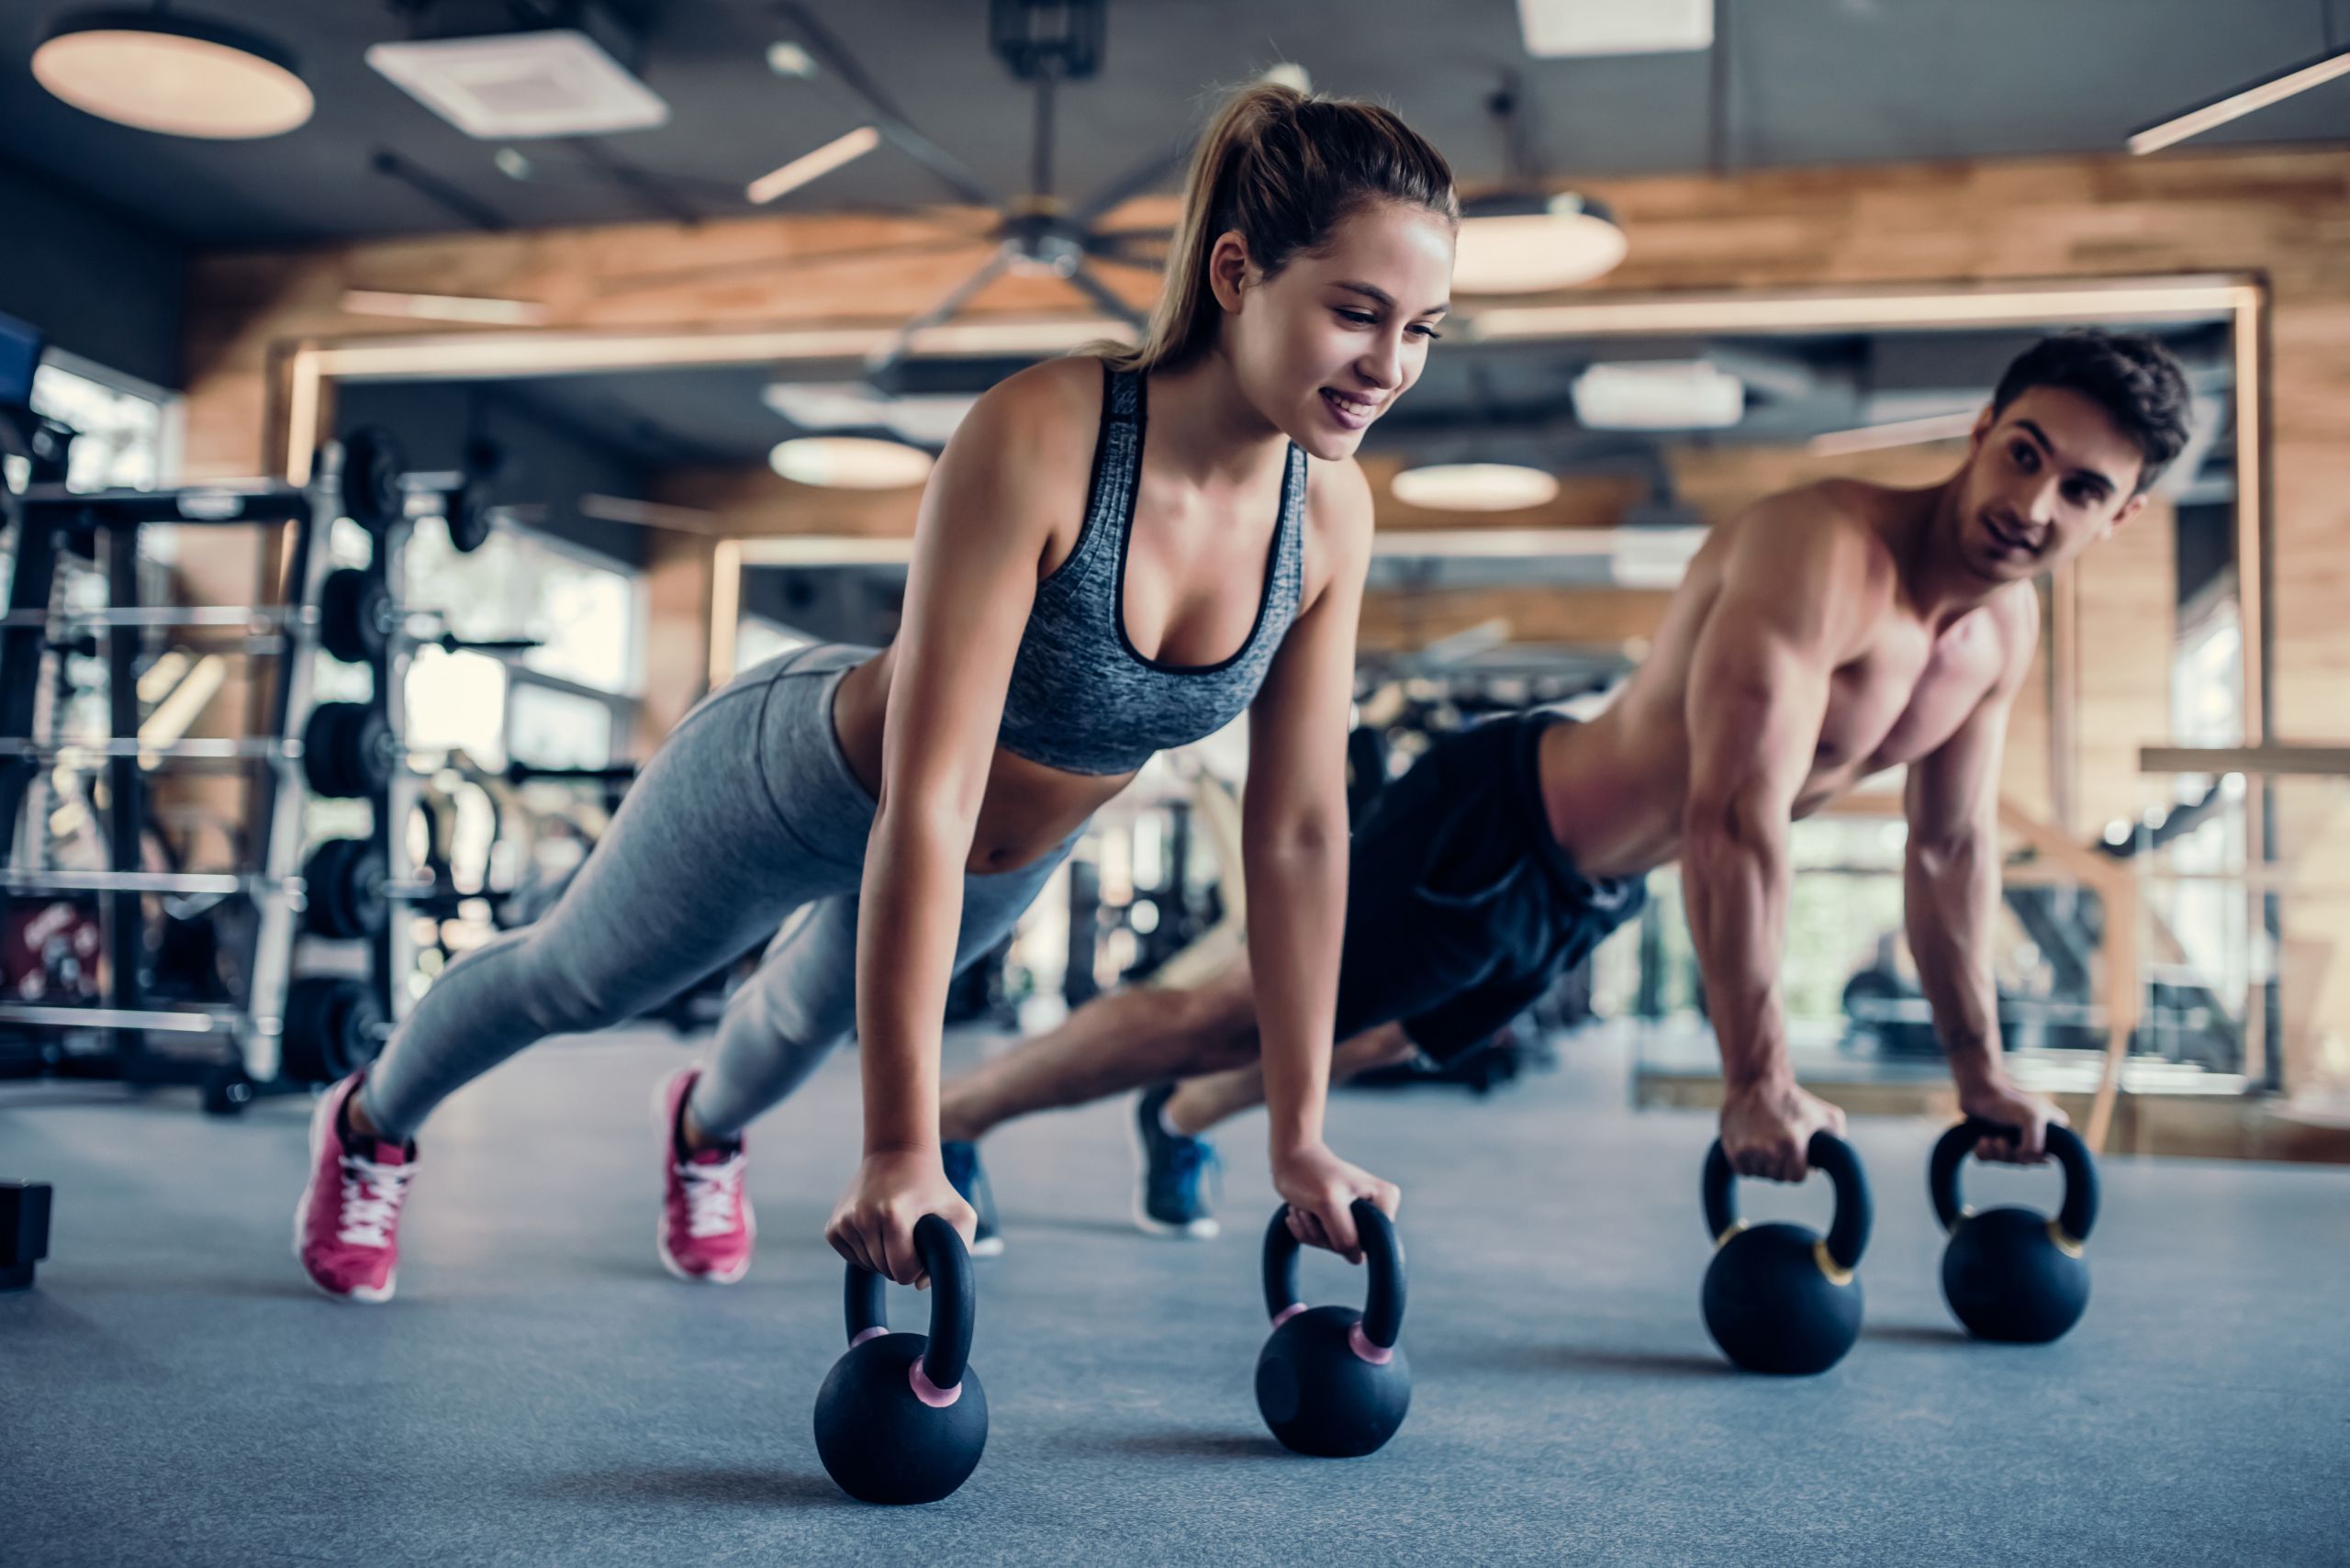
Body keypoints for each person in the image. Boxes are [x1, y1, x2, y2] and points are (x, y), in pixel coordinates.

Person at [293, 81, 1460, 1302]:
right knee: (579, 981)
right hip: (804, 780)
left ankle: (701, 1130)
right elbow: (929, 796)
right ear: (1236, 272)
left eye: (1424, 329)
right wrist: (901, 1148)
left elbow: (1299, 832)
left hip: (1000, 866)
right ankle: (372, 1119)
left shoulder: (1328, 514)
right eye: (1357, 313)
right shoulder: (1047, 434)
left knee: (797, 1030)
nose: (1388, 366)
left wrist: (1298, 1133)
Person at [934, 330, 2194, 1243]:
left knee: (1375, 1038)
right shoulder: (1822, 553)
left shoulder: (1997, 638)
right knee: (1251, 1016)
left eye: (2082, 489)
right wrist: (1755, 1075)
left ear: (2121, 517)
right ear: (1980, 430)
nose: (2033, 503)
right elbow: (1732, 816)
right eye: (2024, 453)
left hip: (1589, 893)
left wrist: (1981, 1077)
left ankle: (1178, 1123)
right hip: (1500, 827)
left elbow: (1947, 854)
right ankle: (957, 1117)